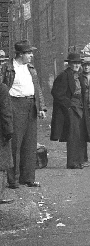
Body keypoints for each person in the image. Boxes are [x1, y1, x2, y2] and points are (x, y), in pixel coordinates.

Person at [0, 41, 48, 189]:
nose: (32, 56)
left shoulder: (31, 68)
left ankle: (28, 178)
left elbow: (37, 87)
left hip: (30, 106)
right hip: (14, 105)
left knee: (30, 144)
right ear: (20, 54)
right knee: (14, 144)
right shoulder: (7, 67)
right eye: (29, 53)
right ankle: (13, 180)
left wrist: (41, 107)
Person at [50, 52, 90, 169]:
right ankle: (72, 162)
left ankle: (81, 160)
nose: (77, 65)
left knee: (81, 134)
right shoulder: (64, 75)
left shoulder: (79, 75)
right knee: (73, 135)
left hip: (80, 106)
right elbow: (56, 93)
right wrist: (68, 105)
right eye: (74, 63)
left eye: (78, 63)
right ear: (69, 64)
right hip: (70, 108)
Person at [0, 51, 14, 204]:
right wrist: (9, 130)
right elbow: (5, 113)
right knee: (2, 165)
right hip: (1, 133)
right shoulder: (2, 88)